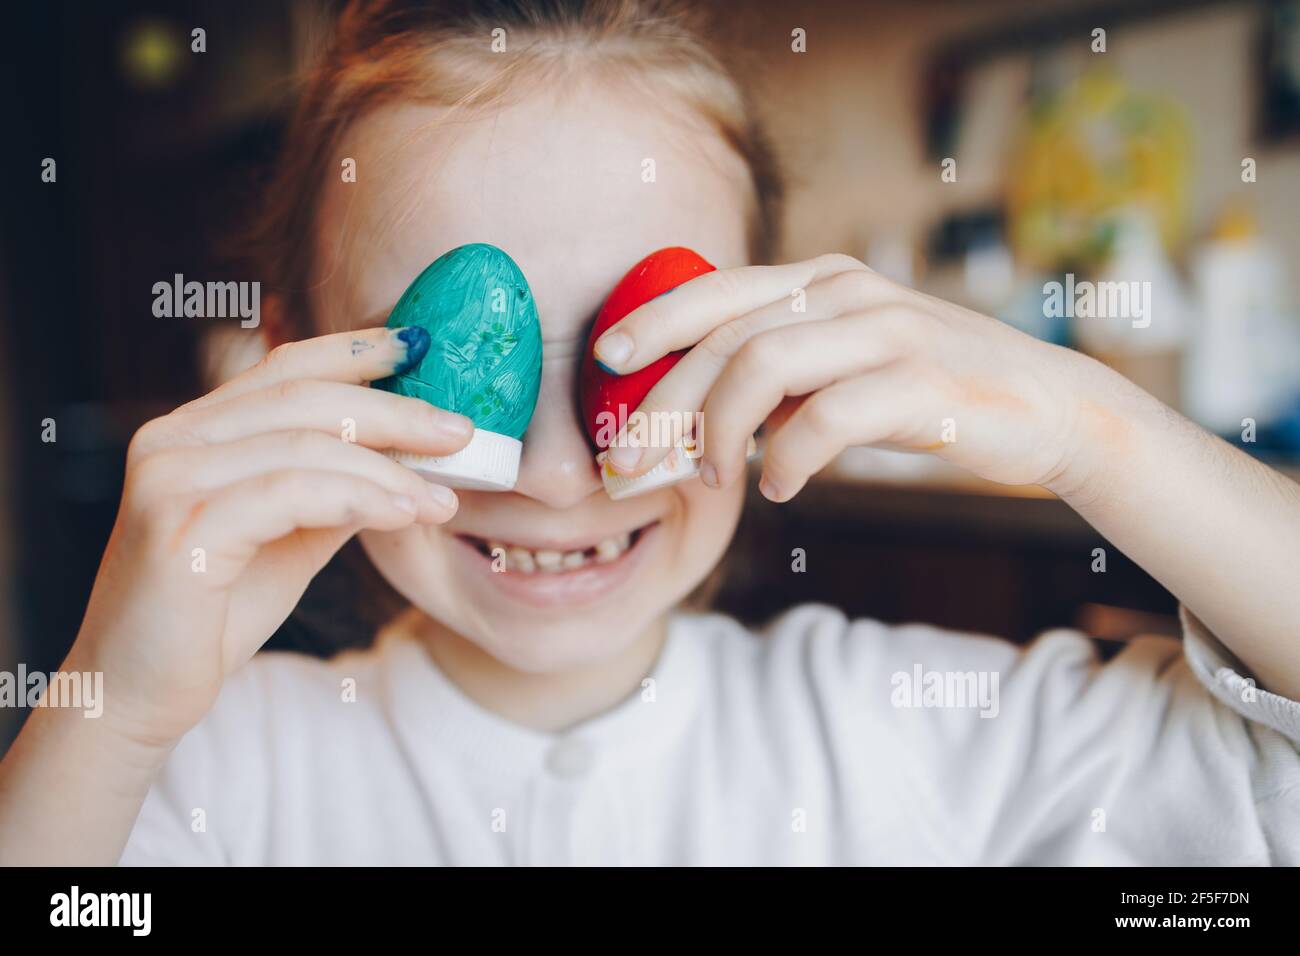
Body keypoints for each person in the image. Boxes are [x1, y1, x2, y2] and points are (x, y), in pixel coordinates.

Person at [2, 0, 1297, 865]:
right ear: (295, 368)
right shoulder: (198, 776)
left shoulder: (921, 732)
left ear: (773, 350)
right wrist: (104, 720)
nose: (566, 475)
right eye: (468, 376)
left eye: (655, 353)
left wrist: (1096, 432)